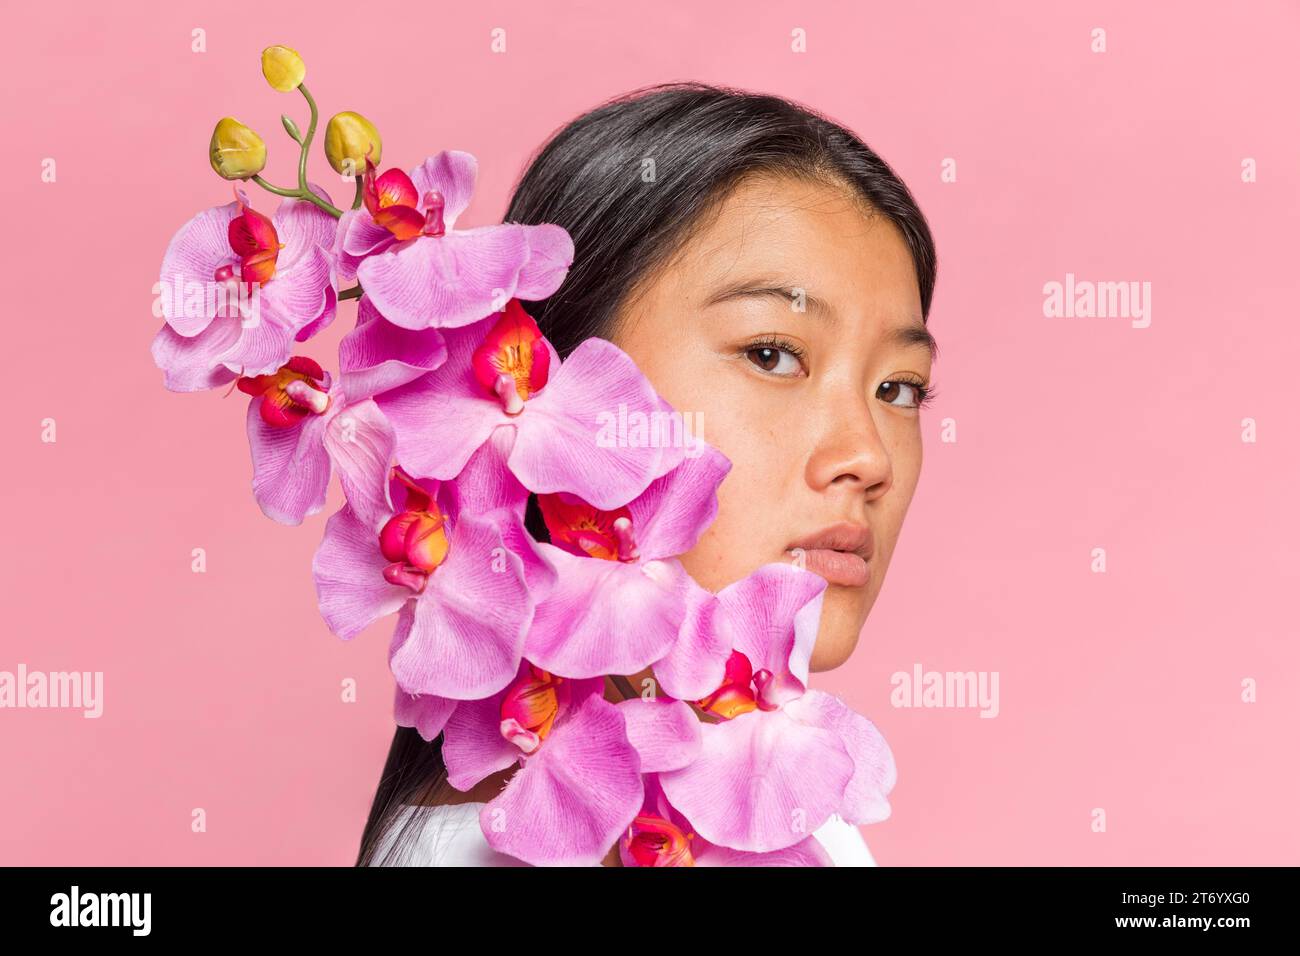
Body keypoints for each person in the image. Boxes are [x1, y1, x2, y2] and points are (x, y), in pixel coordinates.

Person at [357, 80, 939, 867]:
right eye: (771, 353)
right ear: (559, 373)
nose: (869, 458)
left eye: (898, 388)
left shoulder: (794, 811)